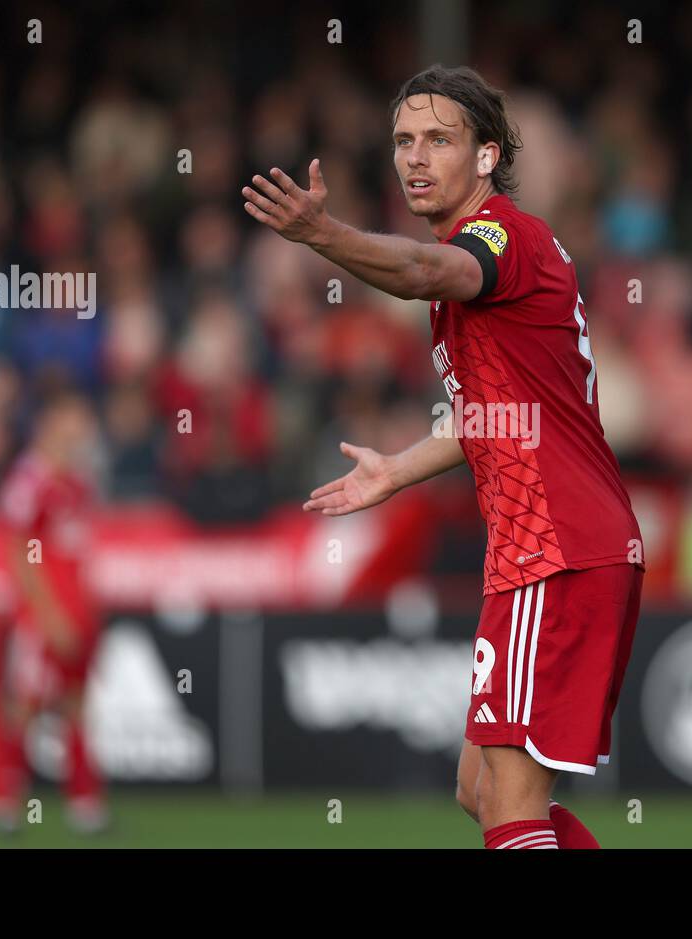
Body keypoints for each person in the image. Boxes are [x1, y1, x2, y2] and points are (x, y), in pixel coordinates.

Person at [244, 64, 644, 849]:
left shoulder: (496, 236)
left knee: (512, 802)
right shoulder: (499, 263)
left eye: (439, 139)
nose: (415, 157)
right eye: (402, 141)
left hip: (555, 547)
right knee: (481, 789)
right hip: (545, 549)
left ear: (488, 156)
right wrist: (397, 468)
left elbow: (430, 269)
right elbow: (498, 413)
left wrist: (322, 234)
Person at [0, 388, 107, 833]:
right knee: (25, 703)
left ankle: (84, 803)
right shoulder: (27, 481)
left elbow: (77, 552)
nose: (81, 429)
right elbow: (19, 552)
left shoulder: (76, 482)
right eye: (74, 418)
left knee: (75, 704)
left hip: (77, 612)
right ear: (51, 423)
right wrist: (47, 613)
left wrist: (84, 609)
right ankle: (4, 801)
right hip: (44, 616)